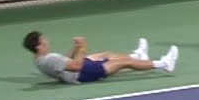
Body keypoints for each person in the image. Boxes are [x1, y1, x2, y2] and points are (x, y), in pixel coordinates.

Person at [25, 32, 176, 84]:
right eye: (43, 40)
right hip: (82, 73)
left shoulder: (41, 59)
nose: (47, 41)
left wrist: (75, 49)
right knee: (123, 62)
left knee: (106, 54)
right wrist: (83, 47)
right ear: (38, 46)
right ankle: (164, 64)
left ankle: (139, 56)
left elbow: (65, 63)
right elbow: (76, 66)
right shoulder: (48, 59)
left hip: (77, 70)